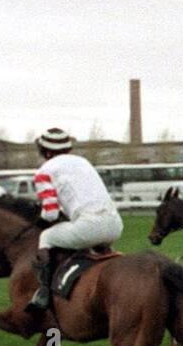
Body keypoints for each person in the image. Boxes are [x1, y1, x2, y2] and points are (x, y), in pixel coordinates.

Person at [27, 128, 123, 311]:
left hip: (89, 227)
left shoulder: (43, 171)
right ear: (68, 149)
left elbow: (51, 214)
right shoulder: (83, 162)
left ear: (46, 152)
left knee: (45, 237)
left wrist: (41, 219)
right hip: (115, 225)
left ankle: (44, 292)